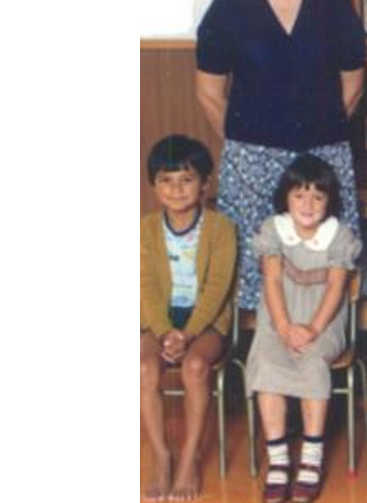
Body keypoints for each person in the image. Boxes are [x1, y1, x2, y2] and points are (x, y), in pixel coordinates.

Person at [195, 0, 365, 310]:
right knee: (257, 283)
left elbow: (354, 83)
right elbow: (209, 93)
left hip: (324, 158)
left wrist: (314, 135)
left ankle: (318, 362)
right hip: (251, 162)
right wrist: (248, 143)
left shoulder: (334, 6)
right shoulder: (229, 7)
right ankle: (260, 369)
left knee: (322, 278)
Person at [244, 155, 362, 503]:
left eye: (317, 196)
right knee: (267, 365)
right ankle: (278, 460)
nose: (308, 204)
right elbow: (273, 280)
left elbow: (335, 289)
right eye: (299, 195)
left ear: (330, 201)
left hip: (322, 321)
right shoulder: (273, 230)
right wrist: (284, 328)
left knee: (312, 364)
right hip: (277, 319)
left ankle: (311, 457)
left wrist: (310, 329)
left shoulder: (339, 236)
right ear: (286, 198)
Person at [140, 135, 236, 502]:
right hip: (160, 320)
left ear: (205, 184)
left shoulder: (220, 228)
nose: (176, 189)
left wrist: (188, 334)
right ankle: (163, 456)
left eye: (186, 179)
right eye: (166, 180)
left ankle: (189, 460)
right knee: (144, 369)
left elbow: (216, 289)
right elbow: (146, 287)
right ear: (154, 186)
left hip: (206, 321)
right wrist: (166, 332)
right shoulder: (146, 229)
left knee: (196, 367)